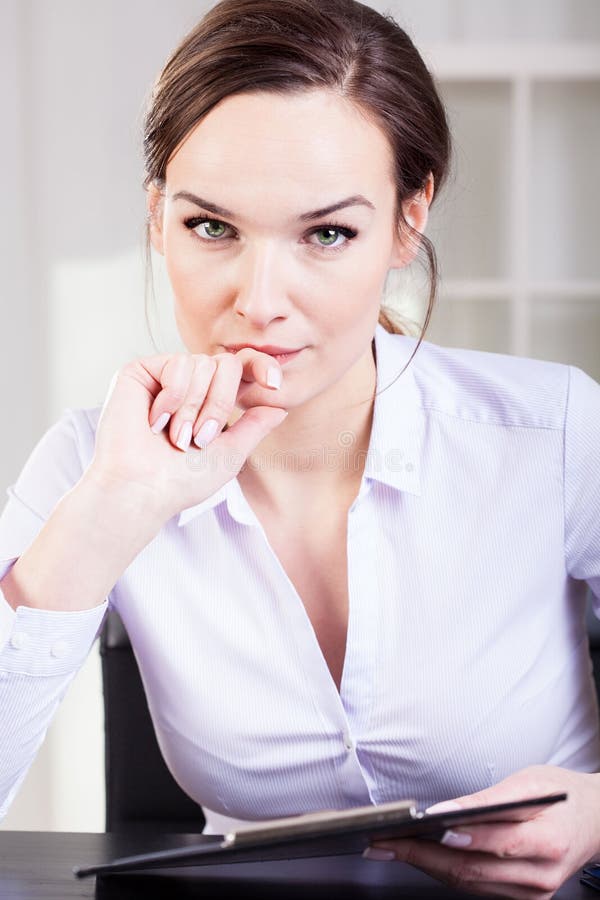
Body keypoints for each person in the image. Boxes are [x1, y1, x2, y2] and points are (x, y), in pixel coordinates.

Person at [0, 0, 599, 895]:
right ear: (159, 217)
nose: (259, 299)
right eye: (211, 227)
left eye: (326, 234)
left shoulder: (549, 431)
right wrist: (113, 510)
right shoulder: (96, 459)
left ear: (408, 220)